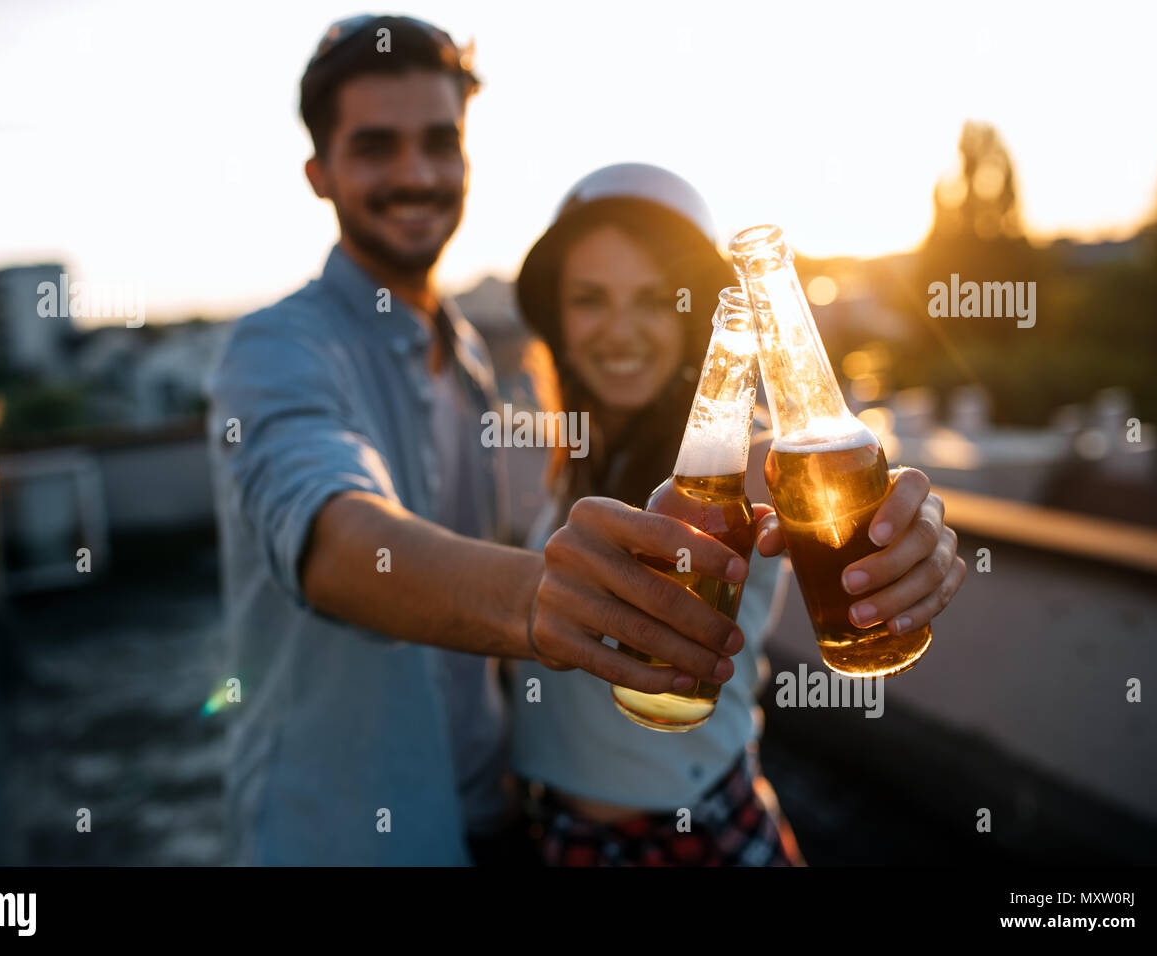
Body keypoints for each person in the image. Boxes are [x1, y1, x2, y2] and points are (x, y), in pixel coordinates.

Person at [206, 16, 773, 866]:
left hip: (496, 822)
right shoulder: (277, 349)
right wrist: (541, 600)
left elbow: (816, 496)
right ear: (318, 173)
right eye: (375, 147)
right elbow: (329, 532)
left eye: (440, 142)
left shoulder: (471, 363)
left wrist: (897, 539)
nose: (415, 174)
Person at [507, 163, 968, 865]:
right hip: (561, 832)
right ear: (559, 319)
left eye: (654, 299)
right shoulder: (578, 450)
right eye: (591, 299)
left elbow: (830, 465)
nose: (621, 329)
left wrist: (913, 534)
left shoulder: (733, 461)